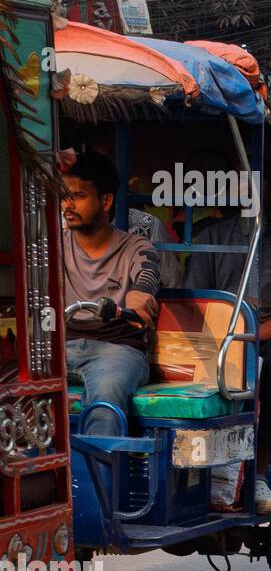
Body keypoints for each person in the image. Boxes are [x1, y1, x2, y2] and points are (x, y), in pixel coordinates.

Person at [184, 167, 271, 516]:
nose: (250, 187)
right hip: (219, 334)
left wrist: (249, 337)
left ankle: (260, 470)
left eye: (259, 178)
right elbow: (196, 305)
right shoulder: (213, 236)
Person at [62, 151, 161, 437]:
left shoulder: (136, 247)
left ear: (106, 201)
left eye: (78, 196)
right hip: (60, 346)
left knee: (105, 400)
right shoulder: (53, 246)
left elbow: (145, 281)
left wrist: (138, 299)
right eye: (64, 196)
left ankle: (99, 480)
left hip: (117, 351)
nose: (68, 205)